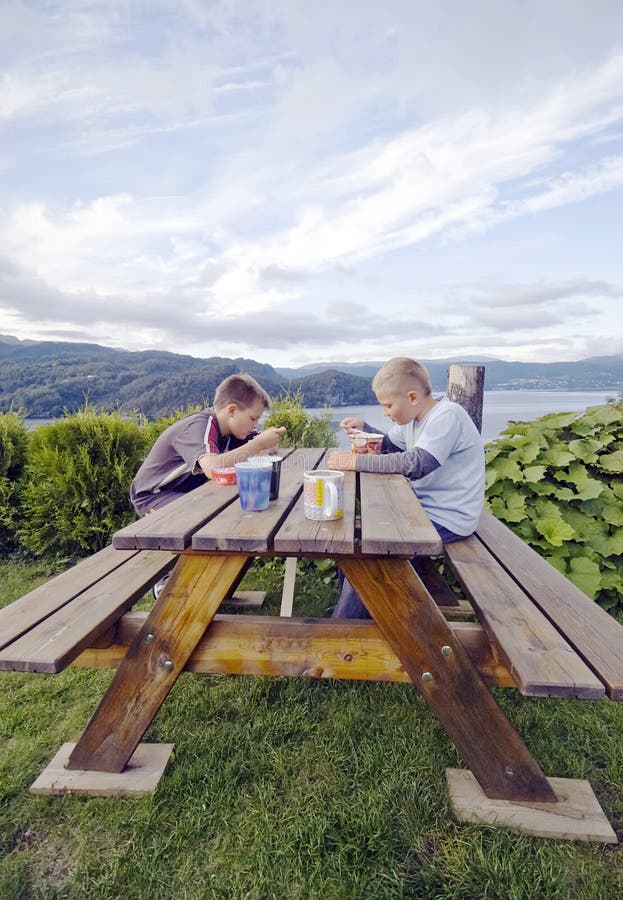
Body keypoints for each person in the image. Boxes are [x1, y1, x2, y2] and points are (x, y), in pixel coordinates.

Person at [326, 357, 485, 618]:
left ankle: (345, 623)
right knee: (354, 540)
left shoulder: (448, 416)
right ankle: (353, 613)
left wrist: (355, 462)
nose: (385, 412)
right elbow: (388, 445)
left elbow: (417, 463)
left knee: (377, 556)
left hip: (449, 517)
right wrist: (364, 429)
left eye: (388, 405)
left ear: (412, 397)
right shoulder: (413, 420)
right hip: (421, 511)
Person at [130, 373, 286, 518]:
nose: (255, 425)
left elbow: (265, 449)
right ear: (232, 410)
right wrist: (258, 444)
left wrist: (268, 442)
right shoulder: (201, 425)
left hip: (185, 493)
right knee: (213, 514)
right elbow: (213, 468)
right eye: (253, 418)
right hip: (153, 496)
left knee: (229, 510)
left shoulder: (235, 430)